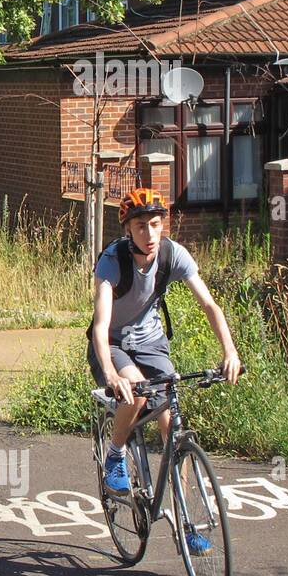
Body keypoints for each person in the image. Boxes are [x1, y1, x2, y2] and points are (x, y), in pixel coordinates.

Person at [88, 187, 242, 555]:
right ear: (128, 230)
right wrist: (111, 373)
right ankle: (115, 454)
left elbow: (209, 305)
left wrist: (230, 351)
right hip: (112, 344)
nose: (151, 233)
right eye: (141, 226)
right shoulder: (112, 261)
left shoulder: (173, 255)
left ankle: (186, 521)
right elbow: (99, 324)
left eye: (156, 224)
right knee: (136, 390)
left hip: (152, 342)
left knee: (174, 427)